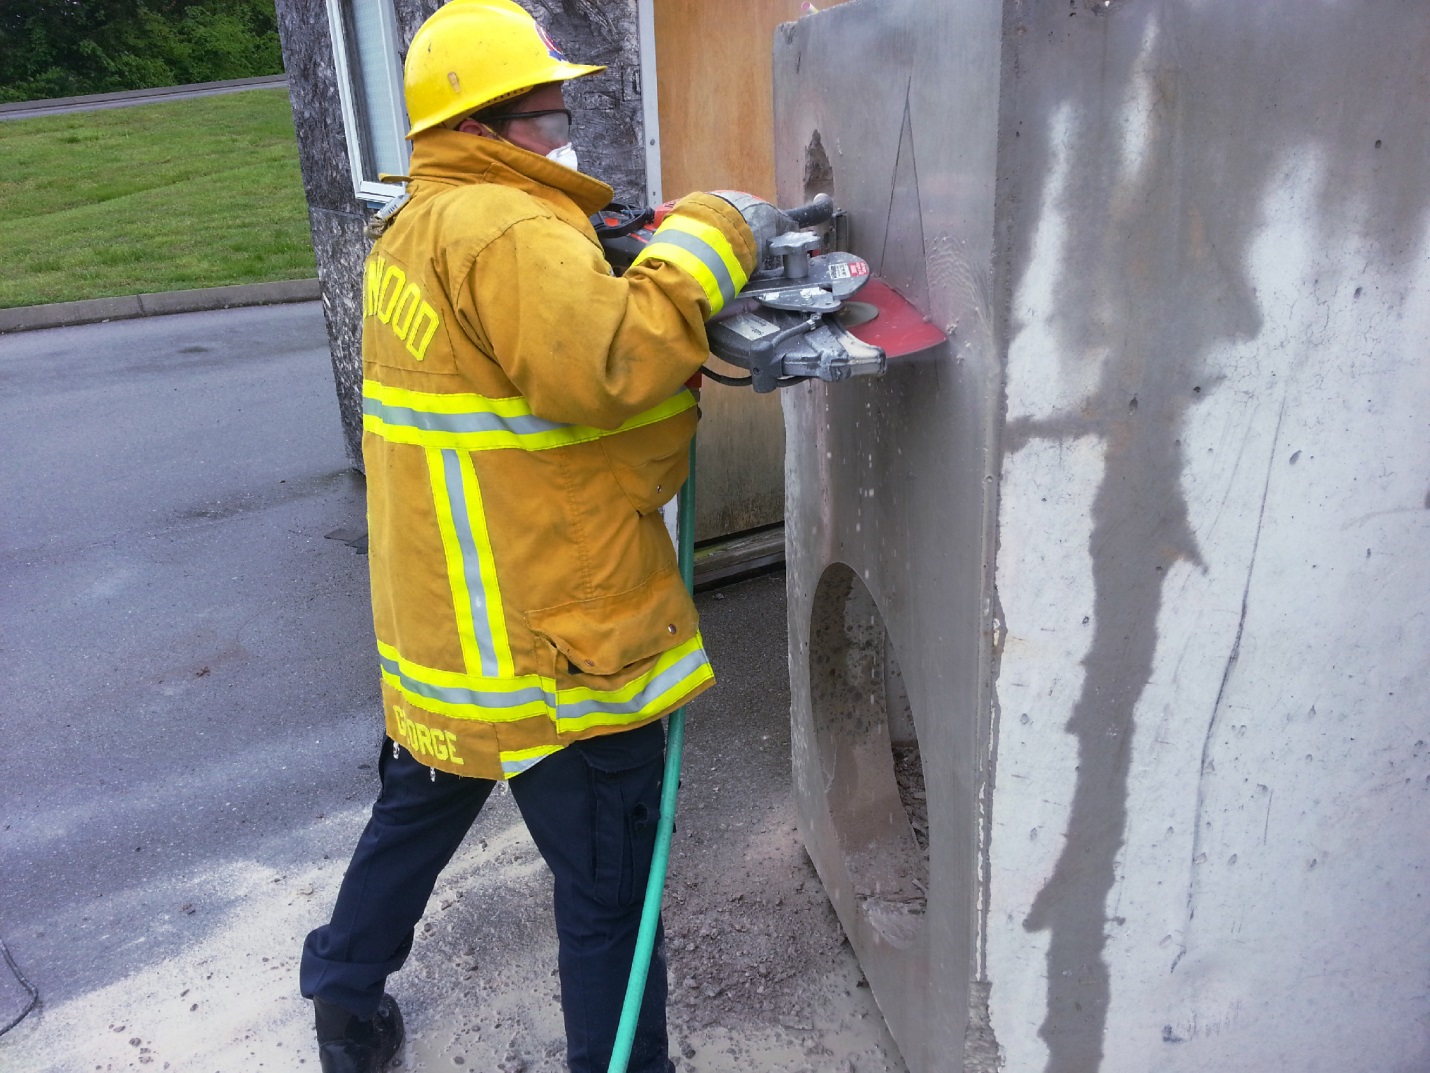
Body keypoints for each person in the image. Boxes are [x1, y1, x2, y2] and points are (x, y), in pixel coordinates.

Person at [298, 2, 763, 1072]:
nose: (564, 141)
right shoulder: (509, 231)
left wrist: (596, 256)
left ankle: (341, 996)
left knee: (411, 817)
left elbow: (515, 392)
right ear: (491, 126)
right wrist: (709, 239)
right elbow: (608, 366)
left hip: (446, 638)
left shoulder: (412, 228)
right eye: (551, 120)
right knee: (609, 900)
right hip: (555, 642)